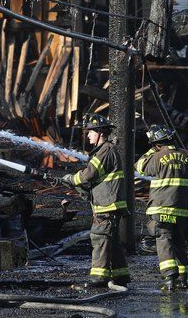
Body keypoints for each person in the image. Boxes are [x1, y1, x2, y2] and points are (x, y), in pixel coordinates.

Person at [62, 113, 129, 288]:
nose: (88, 135)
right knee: (112, 241)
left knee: (99, 237)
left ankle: (99, 277)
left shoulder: (105, 150)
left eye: (90, 131)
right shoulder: (106, 150)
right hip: (108, 203)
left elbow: (89, 174)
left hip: (107, 204)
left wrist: (72, 178)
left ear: (100, 132)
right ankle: (121, 275)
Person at [136, 124, 188, 291]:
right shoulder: (187, 155)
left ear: (156, 143)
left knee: (164, 240)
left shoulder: (157, 156)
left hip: (162, 209)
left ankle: (169, 279)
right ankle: (183, 279)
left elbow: (139, 167)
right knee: (180, 242)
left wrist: (152, 150)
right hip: (183, 211)